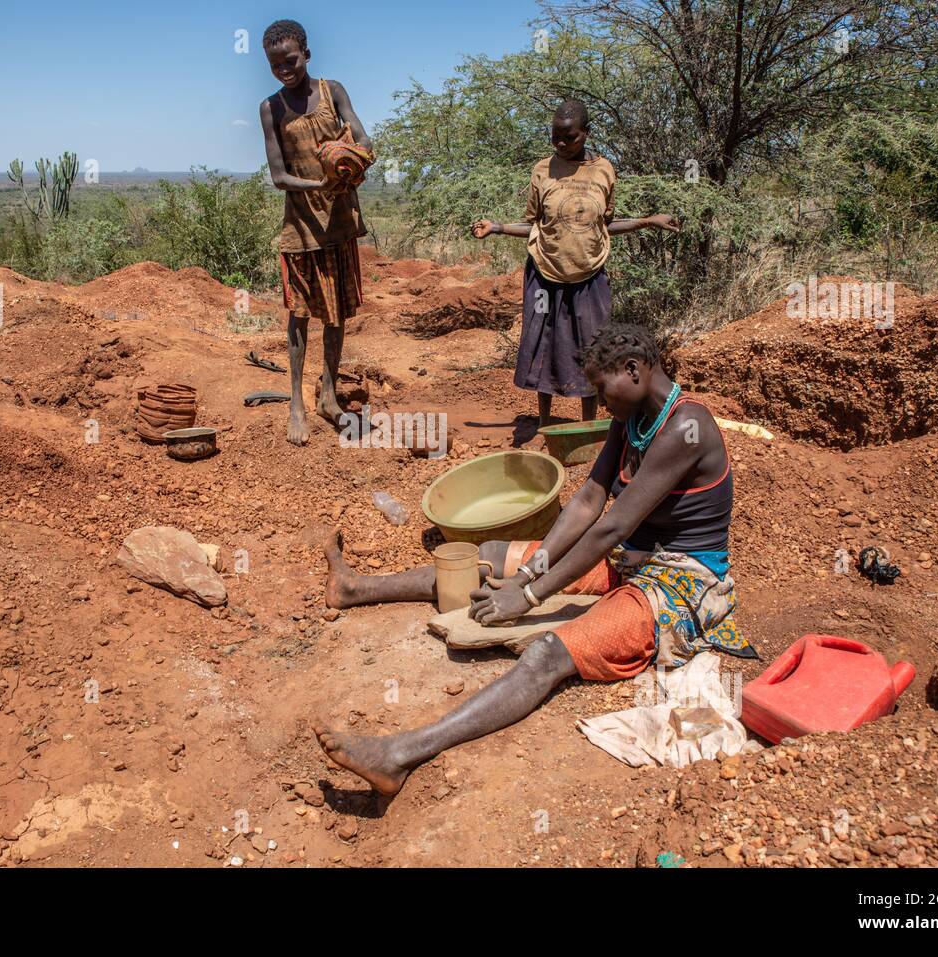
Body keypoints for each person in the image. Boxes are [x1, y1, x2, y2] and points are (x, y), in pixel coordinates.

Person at [314, 322, 757, 797]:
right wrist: (527, 570)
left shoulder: (687, 428)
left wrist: (526, 596)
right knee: (485, 557)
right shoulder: (631, 420)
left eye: (601, 388)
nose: (599, 401)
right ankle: (357, 589)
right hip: (632, 559)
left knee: (548, 652)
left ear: (633, 370)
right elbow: (589, 498)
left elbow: (611, 526)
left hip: (680, 583)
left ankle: (400, 755)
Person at [470, 99, 681, 428]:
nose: (561, 144)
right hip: (545, 276)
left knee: (593, 347)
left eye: (569, 137)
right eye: (555, 137)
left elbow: (604, 225)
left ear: (587, 133)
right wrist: (496, 227)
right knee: (543, 344)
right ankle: (544, 424)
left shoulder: (604, 170)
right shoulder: (542, 170)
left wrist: (648, 221)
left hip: (590, 277)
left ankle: (587, 426)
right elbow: (536, 226)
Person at [259, 19, 373, 446]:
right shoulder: (270, 108)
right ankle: (295, 403)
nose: (284, 69)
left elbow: (362, 137)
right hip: (301, 228)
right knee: (299, 314)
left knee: (338, 313)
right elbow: (278, 176)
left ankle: (329, 396)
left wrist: (352, 159)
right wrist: (317, 185)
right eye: (274, 64)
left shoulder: (333, 91)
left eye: (289, 60)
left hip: (340, 223)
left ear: (306, 52)